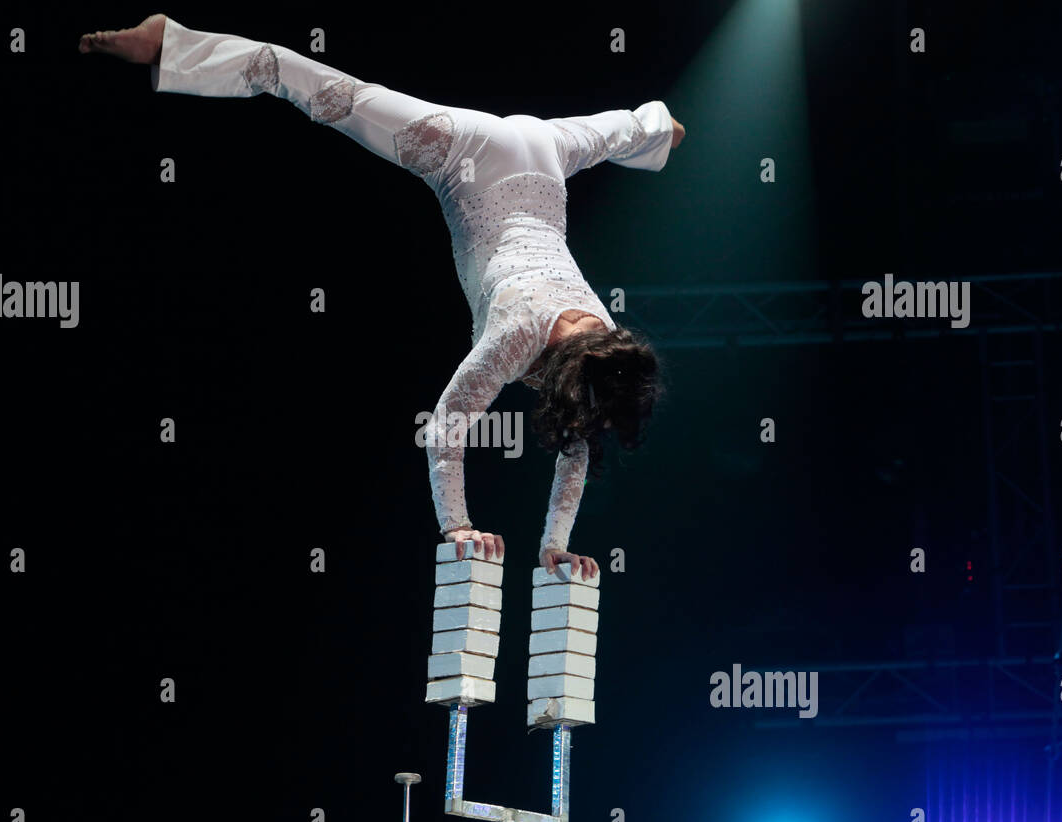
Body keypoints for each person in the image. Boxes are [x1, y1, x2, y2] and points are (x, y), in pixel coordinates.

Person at [80, 14, 684, 578]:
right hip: (467, 152)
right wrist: (458, 527)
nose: (585, 432)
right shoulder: (519, 334)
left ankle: (661, 128)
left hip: (547, 153)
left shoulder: (607, 340)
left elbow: (579, 440)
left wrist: (555, 545)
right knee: (330, 93)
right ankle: (168, 39)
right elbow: (446, 427)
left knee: (630, 129)